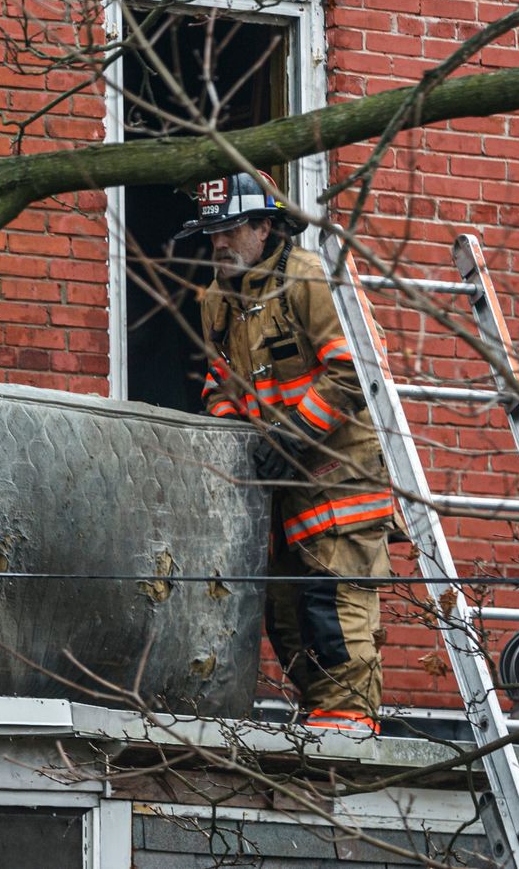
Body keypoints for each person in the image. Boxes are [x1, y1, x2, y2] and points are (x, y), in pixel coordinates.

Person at [183, 171, 395, 735]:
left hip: (338, 483)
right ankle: (324, 724)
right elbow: (218, 389)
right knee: (286, 622)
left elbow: (355, 373)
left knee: (332, 613)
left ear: (264, 225)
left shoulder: (306, 280)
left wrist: (293, 434)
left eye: (229, 230)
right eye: (212, 233)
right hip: (281, 499)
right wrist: (239, 445)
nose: (219, 243)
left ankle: (348, 734)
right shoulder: (217, 303)